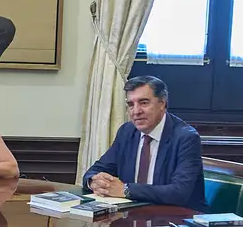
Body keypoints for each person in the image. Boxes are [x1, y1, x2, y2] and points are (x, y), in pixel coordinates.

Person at [82, 75, 206, 211]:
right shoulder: (127, 131)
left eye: (144, 103)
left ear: (162, 103)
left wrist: (125, 190)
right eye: (131, 104)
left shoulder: (186, 137)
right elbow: (97, 169)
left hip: (176, 220)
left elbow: (179, 192)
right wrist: (94, 181)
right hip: (131, 216)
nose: (136, 111)